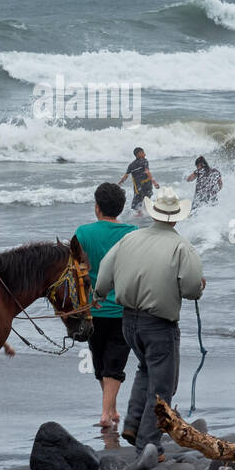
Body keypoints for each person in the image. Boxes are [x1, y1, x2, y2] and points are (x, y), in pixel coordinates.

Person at [95, 185, 205, 459]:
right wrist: (200, 287)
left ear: (153, 213)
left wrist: (98, 295)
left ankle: (133, 426)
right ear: (177, 217)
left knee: (145, 370)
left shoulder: (130, 239)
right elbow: (192, 289)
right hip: (159, 323)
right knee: (162, 384)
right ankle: (148, 445)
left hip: (128, 320)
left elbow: (104, 279)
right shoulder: (182, 246)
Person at [73, 183, 137, 428]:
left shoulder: (82, 233)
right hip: (124, 306)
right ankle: (109, 409)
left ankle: (106, 412)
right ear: (120, 209)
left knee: (100, 362)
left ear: (97, 207)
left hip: (93, 307)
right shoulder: (132, 233)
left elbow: (78, 270)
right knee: (114, 362)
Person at [118, 146, 158, 215]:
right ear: (138, 154)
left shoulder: (131, 165)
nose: (145, 154)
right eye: (143, 152)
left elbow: (125, 176)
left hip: (138, 187)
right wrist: (154, 182)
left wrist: (118, 184)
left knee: (138, 204)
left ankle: (140, 217)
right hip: (147, 185)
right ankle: (145, 215)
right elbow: (147, 172)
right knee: (146, 200)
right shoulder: (144, 161)